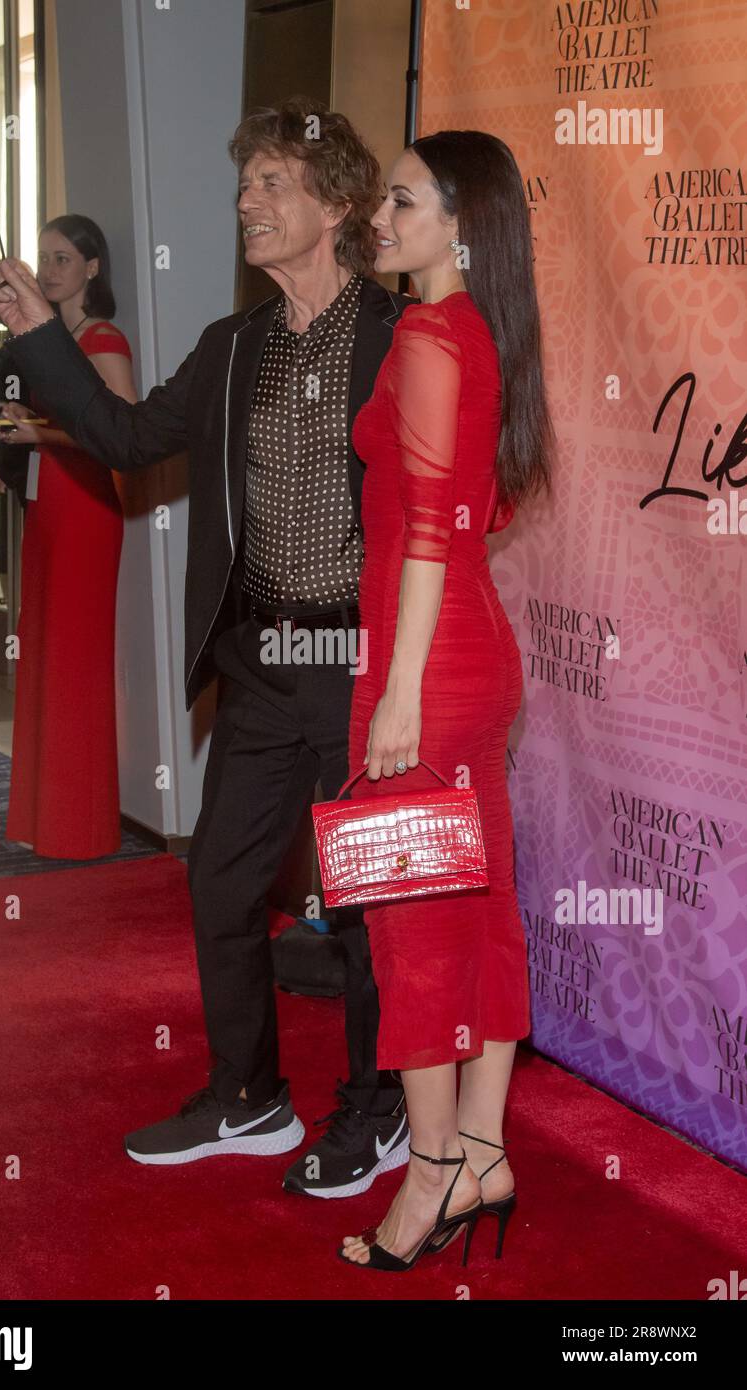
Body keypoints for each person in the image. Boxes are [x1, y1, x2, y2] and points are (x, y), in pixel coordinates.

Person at [0, 100, 413, 1197]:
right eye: (243, 184)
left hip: (366, 670)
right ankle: (248, 1094)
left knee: (367, 906)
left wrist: (415, 675)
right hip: (260, 664)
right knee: (220, 882)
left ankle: (380, 1110)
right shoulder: (232, 348)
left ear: (337, 205)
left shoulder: (400, 336)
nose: (245, 202)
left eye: (271, 183)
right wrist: (39, 334)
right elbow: (127, 438)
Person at [337, 131, 553, 1270]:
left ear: (461, 223)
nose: (379, 217)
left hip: (423, 669)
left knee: (411, 924)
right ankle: (480, 1152)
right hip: (474, 656)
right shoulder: (480, 332)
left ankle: (427, 1178)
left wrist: (396, 694)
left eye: (403, 201)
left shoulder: (427, 334)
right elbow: (483, 508)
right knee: (478, 907)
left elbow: (427, 529)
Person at [0, 215, 136, 859]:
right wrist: (31, 420)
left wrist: (42, 432)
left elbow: (121, 427)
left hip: (85, 506)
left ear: (92, 267)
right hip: (49, 499)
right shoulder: (59, 336)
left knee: (74, 661)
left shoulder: (104, 336)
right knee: (44, 653)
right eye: (44, 258)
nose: (49, 270)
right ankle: (44, 820)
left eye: (62, 259)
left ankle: (79, 829)